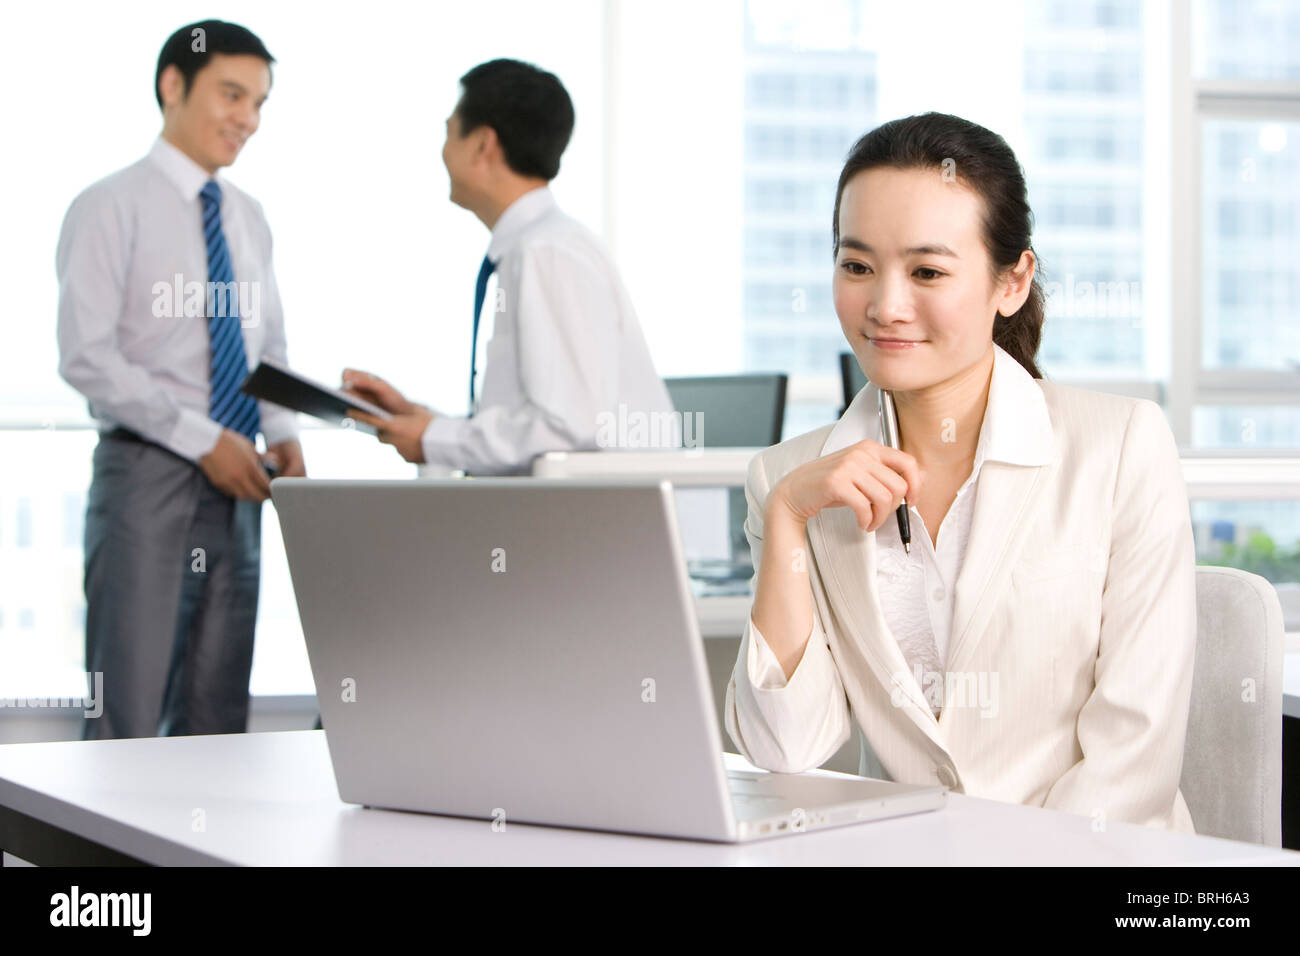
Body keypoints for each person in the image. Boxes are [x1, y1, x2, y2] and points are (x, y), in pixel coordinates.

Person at [724, 112, 1197, 832]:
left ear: (1013, 281)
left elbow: (1136, 750)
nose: (885, 306)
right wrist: (789, 518)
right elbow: (781, 748)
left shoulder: (1121, 446)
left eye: (927, 271)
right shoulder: (790, 480)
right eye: (857, 266)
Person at [56, 20, 304, 740]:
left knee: (217, 717)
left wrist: (283, 433)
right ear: (173, 86)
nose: (248, 120)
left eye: (259, 103)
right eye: (232, 94)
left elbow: (270, 343)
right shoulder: (110, 205)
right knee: (124, 716)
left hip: (243, 484)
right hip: (148, 475)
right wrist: (203, 440)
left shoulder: (248, 217)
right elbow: (86, 357)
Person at [343, 58, 675, 473]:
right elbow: (549, 418)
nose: (443, 152)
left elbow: (570, 428)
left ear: (482, 144)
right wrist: (421, 420)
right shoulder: (540, 245)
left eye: (449, 133)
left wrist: (433, 439)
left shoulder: (547, 252)